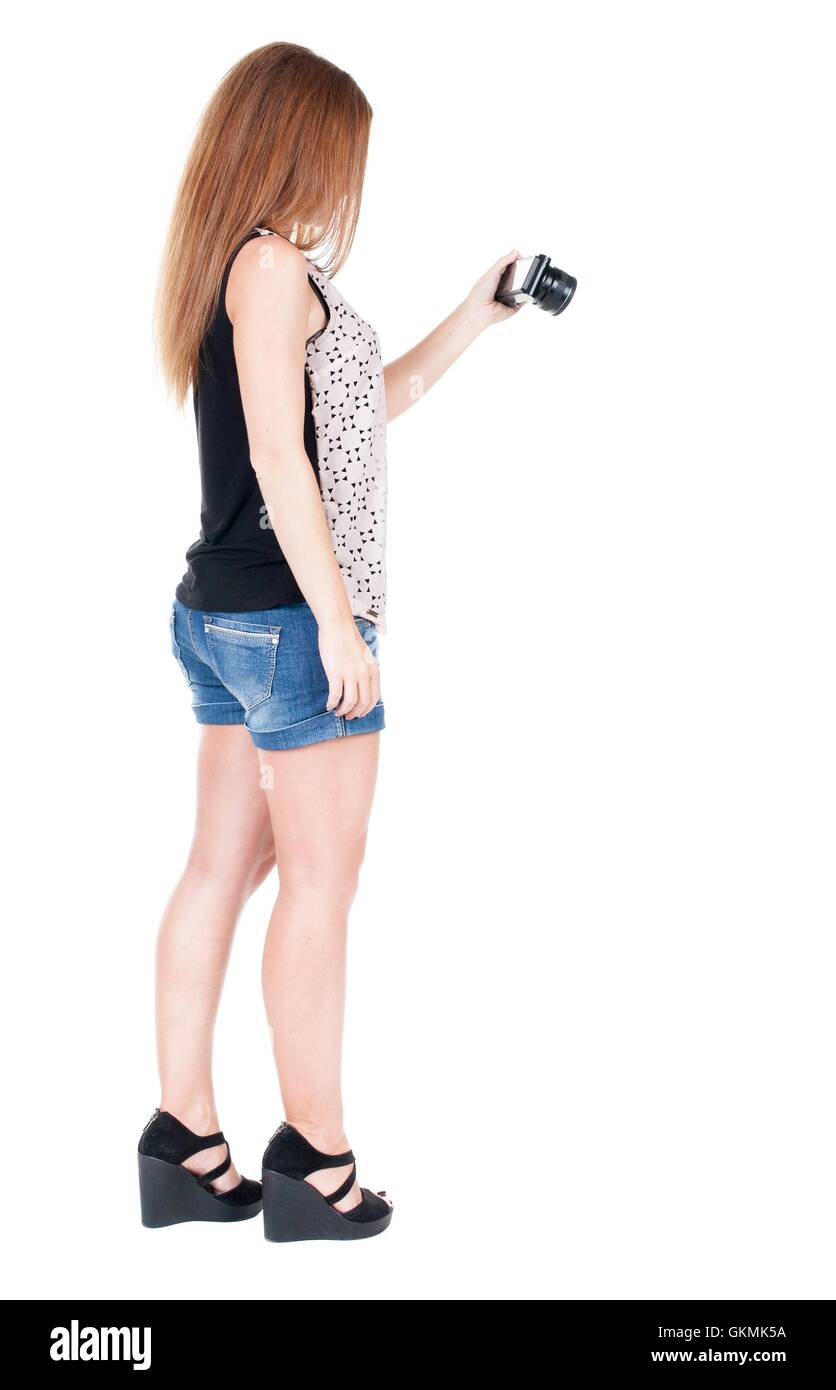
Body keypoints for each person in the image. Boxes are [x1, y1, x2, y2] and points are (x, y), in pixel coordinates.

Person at [138, 41, 522, 1241]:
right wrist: (341, 623)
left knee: (227, 865)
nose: (348, 175)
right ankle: (315, 1157)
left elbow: (377, 403)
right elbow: (277, 455)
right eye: (341, 148)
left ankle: (184, 1143)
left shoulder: (248, 268)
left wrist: (479, 310)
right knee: (319, 881)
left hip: (221, 615)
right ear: (298, 139)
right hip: (287, 623)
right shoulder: (265, 268)